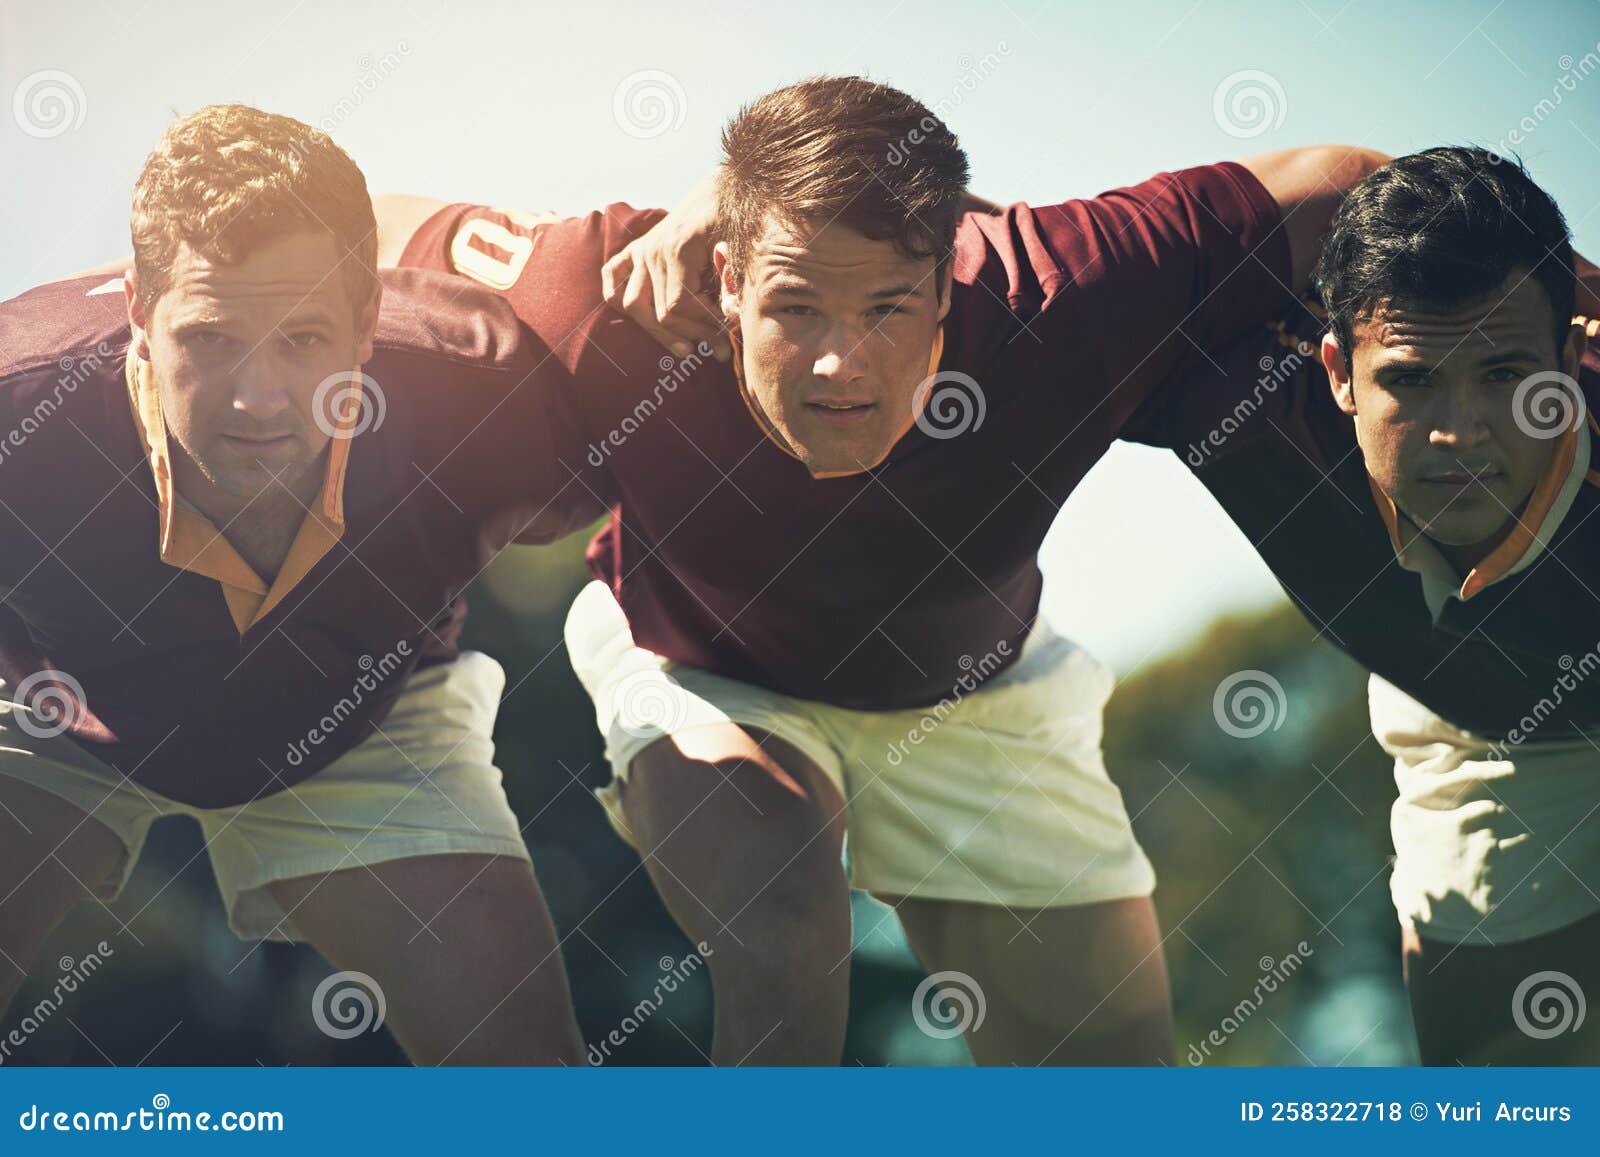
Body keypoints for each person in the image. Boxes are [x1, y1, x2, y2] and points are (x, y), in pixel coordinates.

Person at [378, 75, 1386, 1064]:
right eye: (796, 307)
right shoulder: (602, 287)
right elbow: (357, 221)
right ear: (725, 279)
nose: (838, 364)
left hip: (979, 697)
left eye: (887, 309)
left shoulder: (1069, 287)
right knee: (782, 933)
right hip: (699, 661)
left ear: (948, 280)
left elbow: (1346, 184)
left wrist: (1546, 305)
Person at [0, 104, 599, 1064]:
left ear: (367, 320)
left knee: (533, 1087)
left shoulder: (487, 397)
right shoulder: (17, 406)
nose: (259, 398)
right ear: (137, 313)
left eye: (302, 336)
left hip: (368, 714)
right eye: (210, 338)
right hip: (52, 698)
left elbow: (704, 473)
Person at [1127, 146, 1600, 1063]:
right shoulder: (1237, 402)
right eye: (1412, 380)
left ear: (1570, 355)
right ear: (1339, 369)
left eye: (1504, 376)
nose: (1459, 434)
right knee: (1500, 1080)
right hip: (1482, 724)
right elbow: (1021, 289)